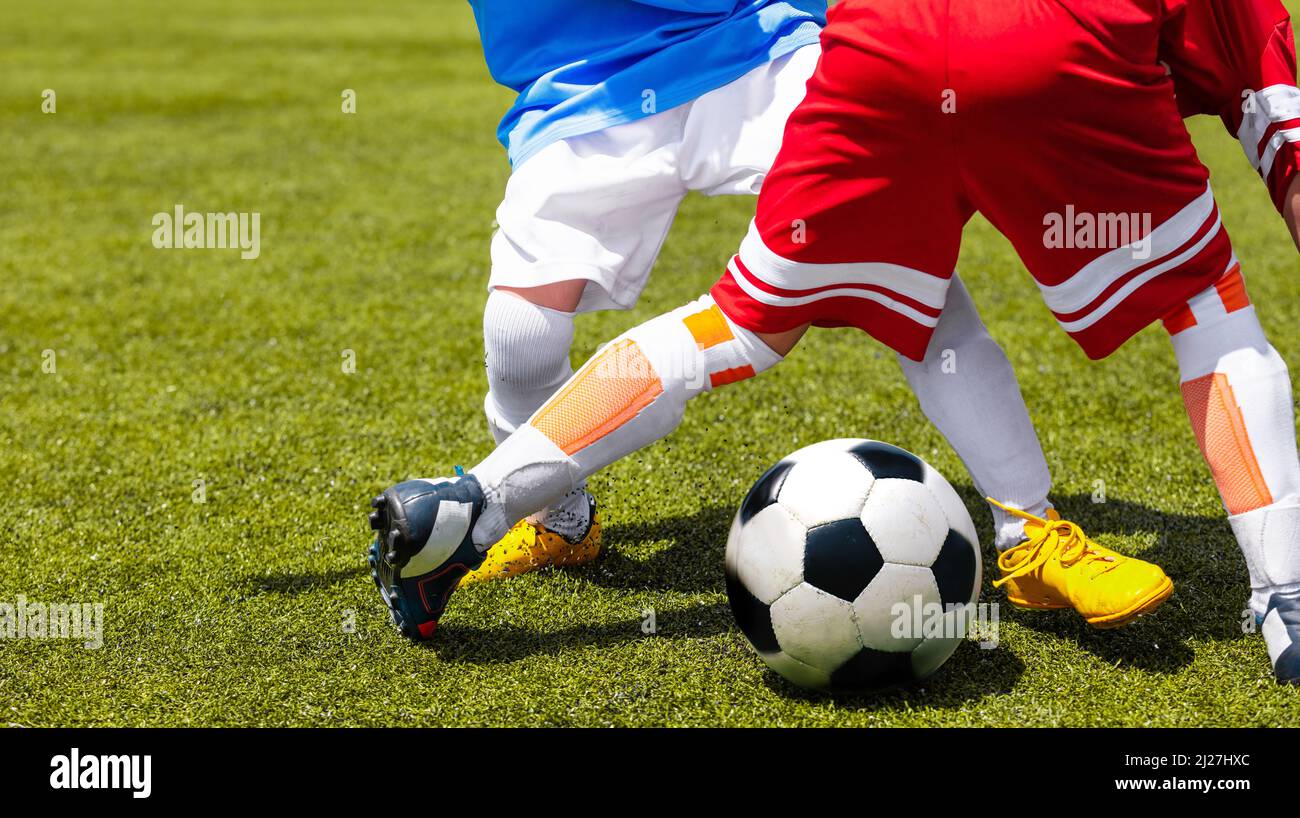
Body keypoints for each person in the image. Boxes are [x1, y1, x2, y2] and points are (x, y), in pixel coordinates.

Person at [458, 0, 1064, 586]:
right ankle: (561, 521)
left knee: (904, 273)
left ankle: (1029, 528)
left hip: (752, 45)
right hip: (576, 89)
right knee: (520, 334)